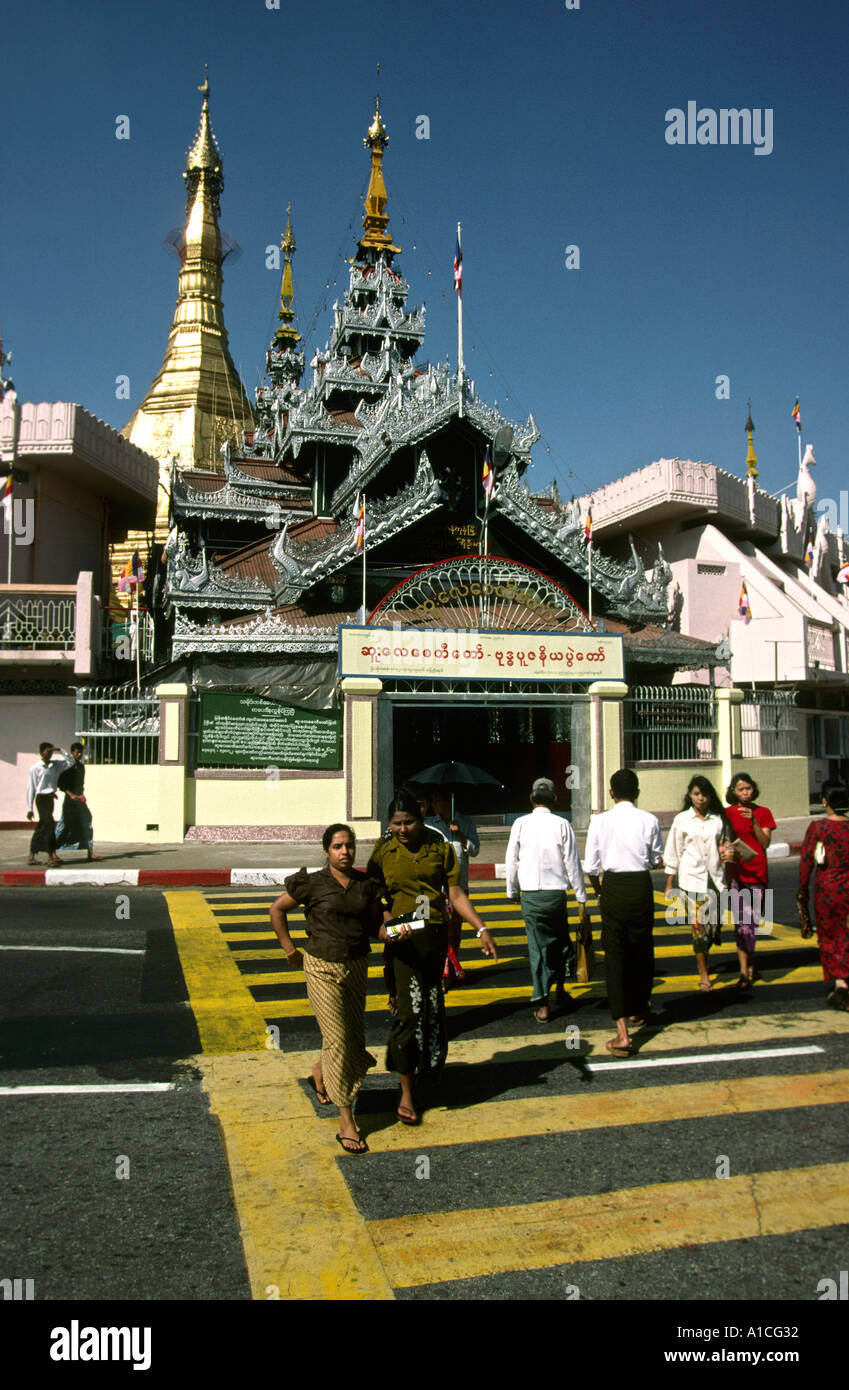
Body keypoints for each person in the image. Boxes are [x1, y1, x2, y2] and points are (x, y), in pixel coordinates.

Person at [367, 791, 497, 1125]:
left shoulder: (440, 849)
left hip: (435, 940)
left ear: (420, 819)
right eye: (396, 823)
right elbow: (375, 894)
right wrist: (384, 921)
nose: (402, 829)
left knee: (433, 1012)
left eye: (408, 822)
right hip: (402, 944)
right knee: (410, 1015)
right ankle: (406, 1091)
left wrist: (481, 929)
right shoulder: (383, 852)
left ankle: (427, 1069)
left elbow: (455, 894)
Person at [269, 824, 384, 1154]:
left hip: (357, 965)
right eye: (337, 847)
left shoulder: (365, 885)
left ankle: (321, 1071)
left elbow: (375, 926)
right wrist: (290, 949)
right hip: (321, 967)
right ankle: (346, 1118)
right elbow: (277, 909)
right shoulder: (313, 884)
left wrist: (391, 933)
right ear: (326, 851)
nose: (344, 852)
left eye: (349, 846)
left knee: (351, 1035)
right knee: (337, 1038)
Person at [584, 768, 664, 1057]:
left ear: (611, 793)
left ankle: (621, 1033)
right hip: (640, 886)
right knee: (642, 950)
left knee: (616, 956)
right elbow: (656, 859)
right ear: (638, 792)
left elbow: (591, 867)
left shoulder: (600, 821)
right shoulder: (649, 820)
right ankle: (640, 1007)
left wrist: (599, 890)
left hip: (614, 887)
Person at [505, 777, 586, 1022]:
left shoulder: (520, 823)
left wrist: (512, 890)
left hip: (531, 895)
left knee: (538, 949)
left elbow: (512, 859)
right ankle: (560, 989)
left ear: (531, 799)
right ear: (555, 800)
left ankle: (543, 1004)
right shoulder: (563, 824)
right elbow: (572, 863)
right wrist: (581, 897)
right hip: (556, 895)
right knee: (560, 942)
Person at [664, 775, 734, 992]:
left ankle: (710, 940)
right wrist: (670, 882)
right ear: (690, 795)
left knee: (713, 926)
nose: (701, 798)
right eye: (696, 794)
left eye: (704, 794)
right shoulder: (681, 820)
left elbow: (725, 843)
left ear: (710, 796)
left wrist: (727, 853)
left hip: (715, 879)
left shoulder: (718, 819)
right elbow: (673, 852)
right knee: (698, 930)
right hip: (691, 880)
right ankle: (704, 974)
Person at [798, 780, 849, 1011]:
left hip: (827, 889)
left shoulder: (819, 828)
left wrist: (802, 890)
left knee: (830, 934)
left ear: (825, 802)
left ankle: (841, 983)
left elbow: (808, 861)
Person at [724, 772, 775, 989]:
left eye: (748, 788)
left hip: (757, 873)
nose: (745, 792)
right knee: (741, 923)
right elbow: (724, 840)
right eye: (740, 789)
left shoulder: (763, 813)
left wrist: (753, 821)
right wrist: (727, 852)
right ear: (733, 792)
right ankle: (744, 971)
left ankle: (750, 963)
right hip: (737, 872)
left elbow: (764, 843)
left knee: (751, 923)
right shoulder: (726, 814)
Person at [426, 789, 480, 986]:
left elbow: (474, 850)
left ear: (449, 800)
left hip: (460, 885)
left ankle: (451, 965)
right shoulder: (430, 824)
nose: (434, 804)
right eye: (432, 801)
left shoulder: (465, 822)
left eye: (437, 800)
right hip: (439, 887)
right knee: (442, 931)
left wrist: (461, 835)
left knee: (455, 931)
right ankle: (444, 971)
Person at [26, 741, 74, 866]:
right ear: (41, 753)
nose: (50, 754)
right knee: (48, 825)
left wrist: (61, 750)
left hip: (50, 799)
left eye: (51, 751)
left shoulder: (55, 765)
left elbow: (71, 761)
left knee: (43, 826)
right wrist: (29, 808)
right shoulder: (35, 768)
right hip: (41, 799)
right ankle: (50, 856)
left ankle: (32, 855)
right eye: (48, 751)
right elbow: (31, 788)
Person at [54, 743, 102, 861]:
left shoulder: (81, 766)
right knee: (65, 824)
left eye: (80, 752)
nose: (78, 754)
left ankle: (90, 852)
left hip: (79, 799)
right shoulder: (67, 766)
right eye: (76, 752)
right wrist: (72, 795)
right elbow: (61, 784)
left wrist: (81, 795)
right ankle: (53, 852)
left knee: (87, 820)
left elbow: (81, 784)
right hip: (70, 800)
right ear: (72, 752)